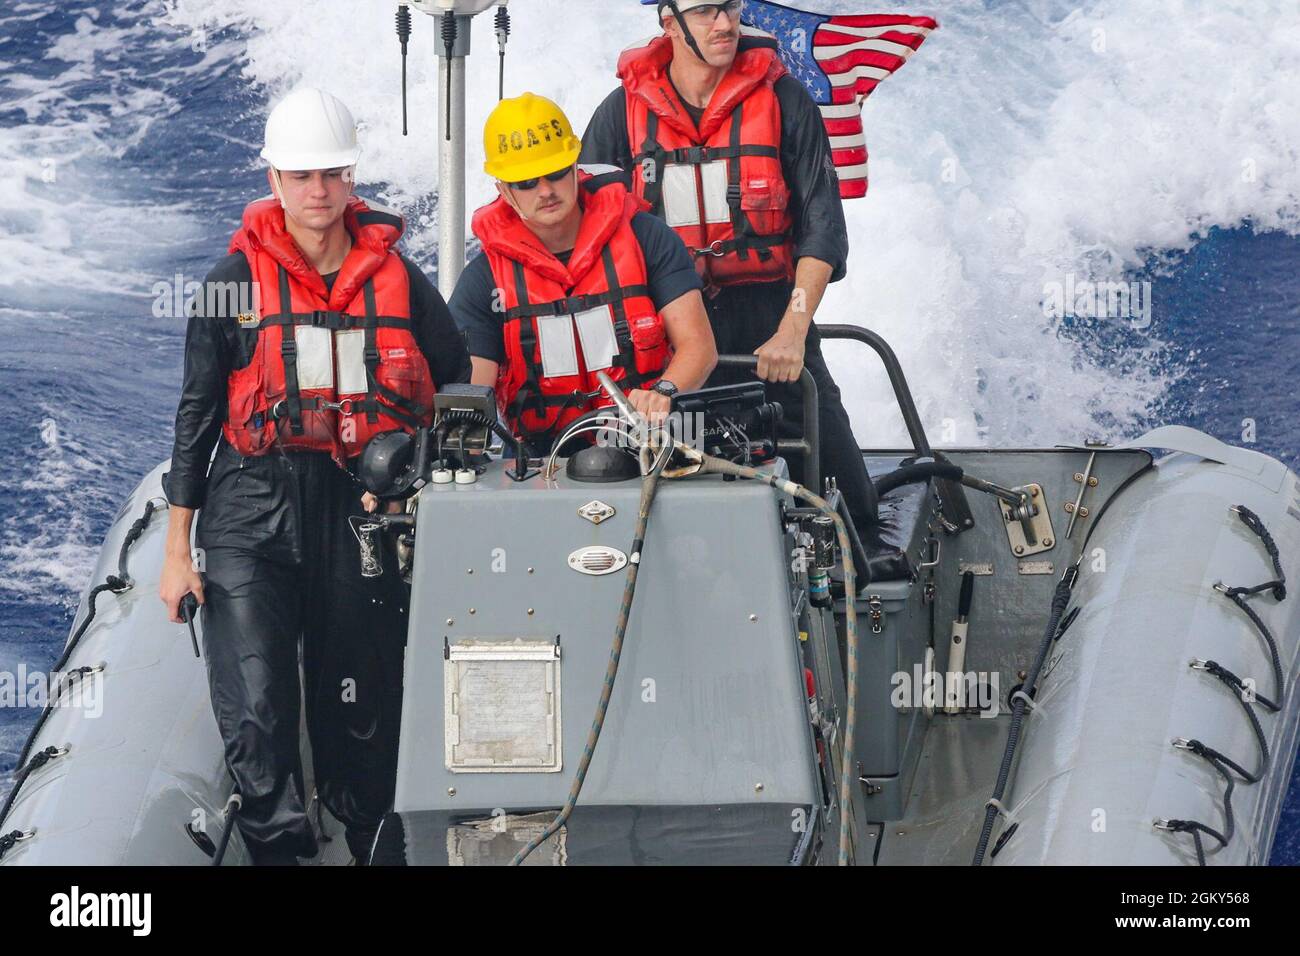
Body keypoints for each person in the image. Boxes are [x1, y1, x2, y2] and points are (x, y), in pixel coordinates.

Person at [156, 87, 471, 865]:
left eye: (331, 173)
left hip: (356, 506)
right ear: (274, 182)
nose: (318, 192)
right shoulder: (231, 282)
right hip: (250, 509)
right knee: (257, 711)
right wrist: (176, 552)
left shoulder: (400, 280)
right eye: (301, 176)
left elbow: (456, 380)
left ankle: (371, 842)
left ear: (351, 177)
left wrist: (407, 474)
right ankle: (281, 852)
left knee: (359, 707)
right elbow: (196, 419)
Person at [580, 0, 879, 531]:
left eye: (730, 6)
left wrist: (793, 330)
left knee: (856, 506)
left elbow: (823, 229)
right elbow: (587, 246)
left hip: (771, 325)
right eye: (704, 12)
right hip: (671, 339)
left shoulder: (786, 100)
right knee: (667, 498)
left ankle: (852, 573)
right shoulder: (617, 115)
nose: (724, 23)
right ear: (668, 22)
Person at [450, 92, 717, 449]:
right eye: (527, 182)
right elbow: (474, 392)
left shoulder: (646, 236)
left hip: (654, 446)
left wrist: (663, 392)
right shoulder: (484, 279)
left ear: (576, 166)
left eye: (556, 173)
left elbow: (699, 347)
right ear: (503, 189)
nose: (545, 190)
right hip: (542, 465)